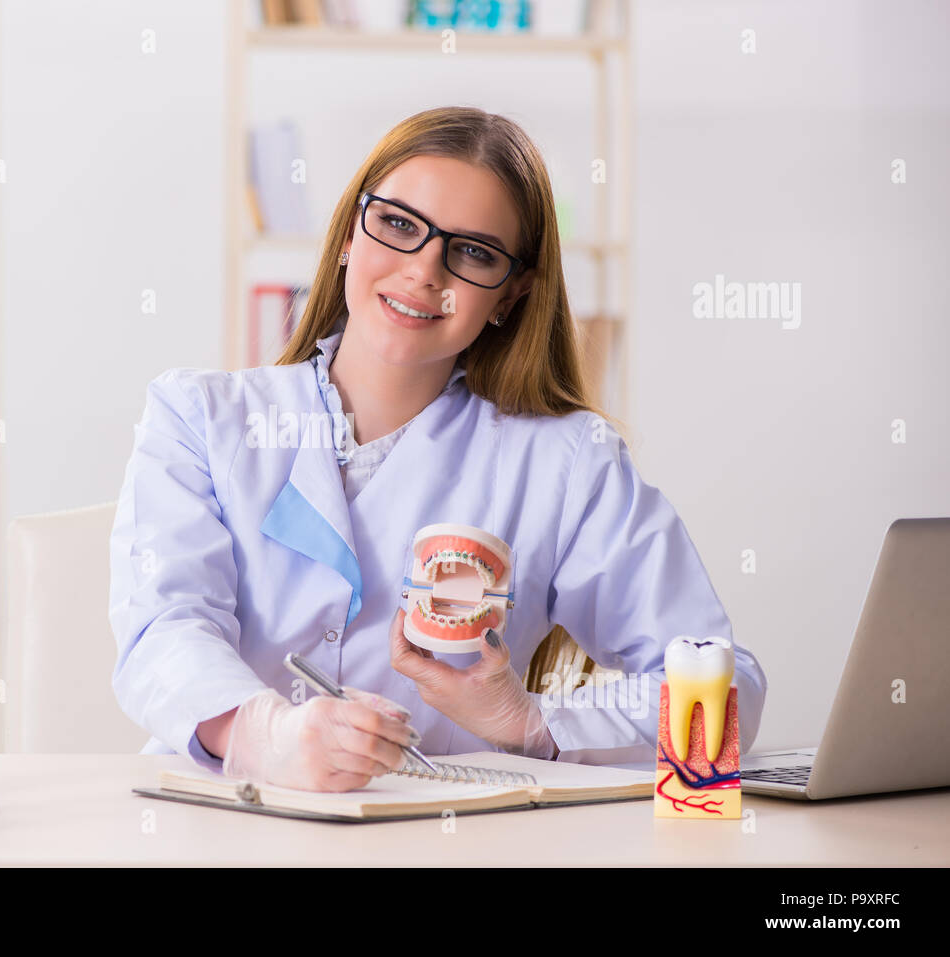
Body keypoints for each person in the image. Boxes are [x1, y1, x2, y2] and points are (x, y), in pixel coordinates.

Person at [109, 106, 766, 793]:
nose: (424, 270)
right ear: (347, 237)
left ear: (511, 295)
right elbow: (163, 630)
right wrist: (264, 735)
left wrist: (530, 722)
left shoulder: (567, 462)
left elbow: (728, 698)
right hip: (212, 824)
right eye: (397, 224)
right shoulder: (197, 416)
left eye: (474, 251)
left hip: (437, 839)